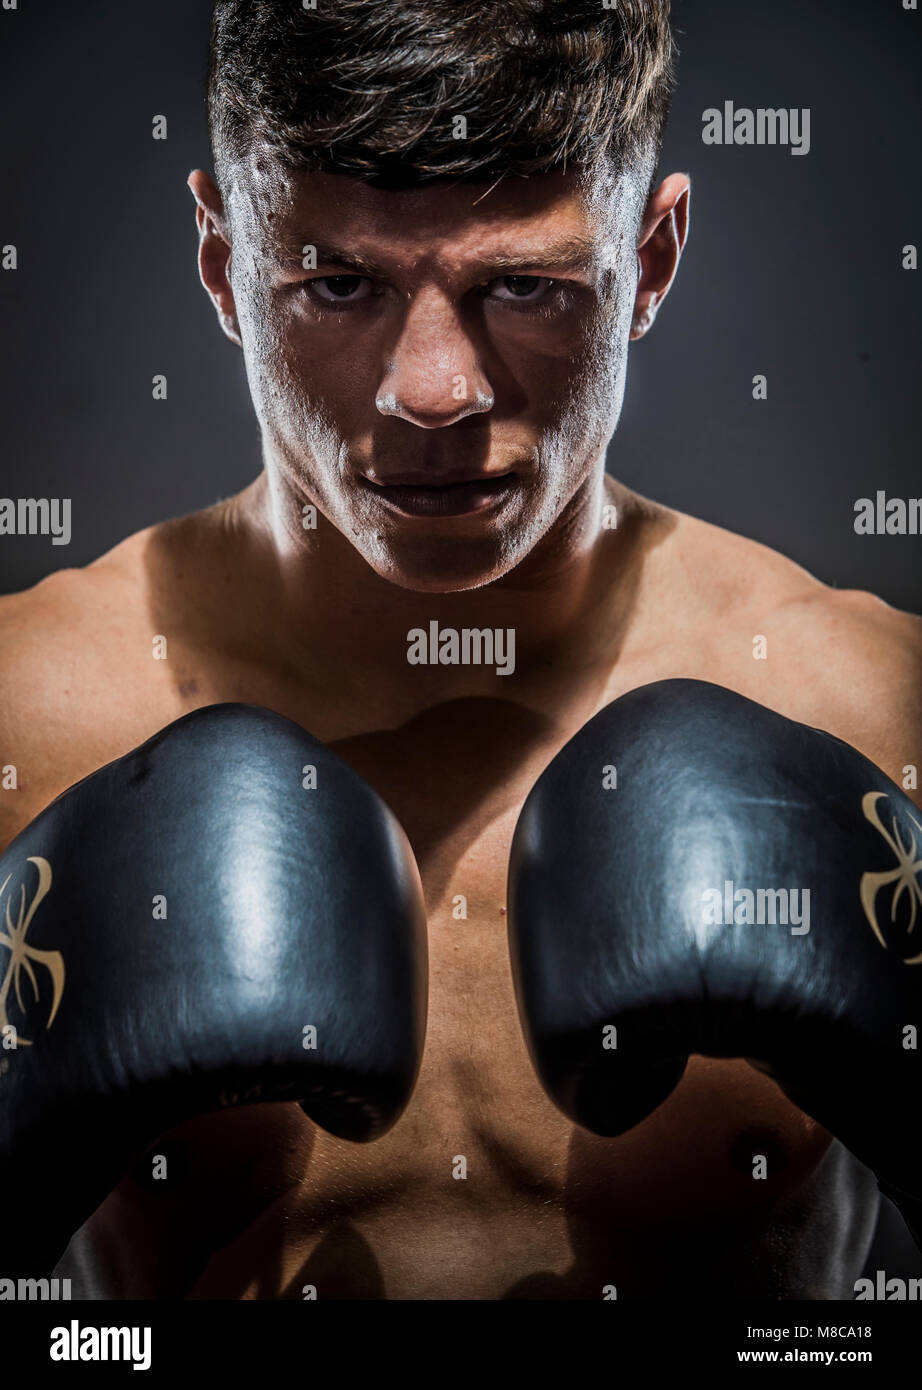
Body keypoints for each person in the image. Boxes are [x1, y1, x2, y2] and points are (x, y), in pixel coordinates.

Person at [1, 0, 920, 1299]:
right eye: (337, 284)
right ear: (218, 261)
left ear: (649, 262)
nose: (432, 392)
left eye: (524, 287)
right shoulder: (22, 719)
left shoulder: (876, 708)